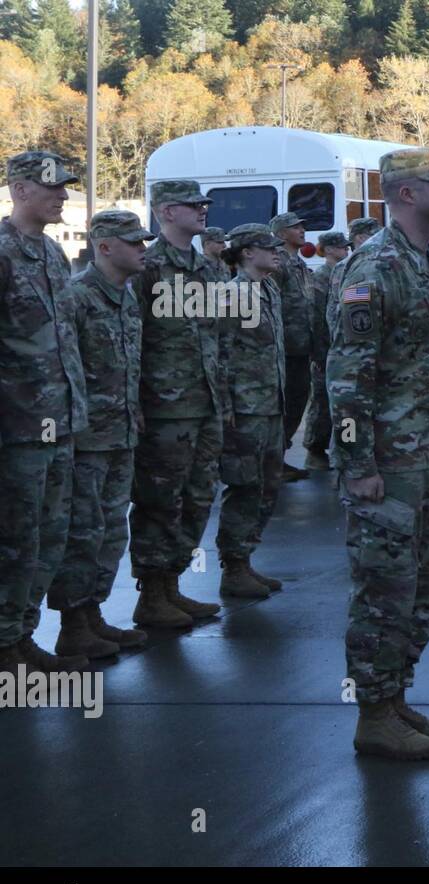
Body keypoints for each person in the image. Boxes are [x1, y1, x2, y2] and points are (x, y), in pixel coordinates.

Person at [326, 147, 429, 760]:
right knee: (383, 591)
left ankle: (396, 695)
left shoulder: (426, 260)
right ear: (408, 194)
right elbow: (348, 377)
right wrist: (358, 467)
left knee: (423, 587)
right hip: (389, 465)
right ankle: (373, 714)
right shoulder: (374, 266)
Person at [46, 210, 152, 660]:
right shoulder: (78, 297)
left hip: (120, 433)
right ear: (104, 246)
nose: (143, 249)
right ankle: (72, 624)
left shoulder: (125, 296)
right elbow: (61, 366)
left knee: (111, 531)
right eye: (134, 242)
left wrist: (136, 410)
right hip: (87, 438)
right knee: (82, 532)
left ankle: (93, 615)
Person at [0, 150, 89, 673]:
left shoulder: (53, 254)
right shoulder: (4, 253)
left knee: (48, 538)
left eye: (64, 188)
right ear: (18, 190)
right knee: (14, 538)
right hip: (17, 427)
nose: (61, 196)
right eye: (51, 187)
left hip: (58, 423)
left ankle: (21, 639)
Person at [130, 179, 228, 629]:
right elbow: (131, 338)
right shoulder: (147, 267)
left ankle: (172, 585)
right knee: (159, 500)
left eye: (204, 203)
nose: (203, 210)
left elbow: (217, 335)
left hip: (205, 401)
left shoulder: (207, 268)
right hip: (164, 406)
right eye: (194, 204)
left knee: (197, 498)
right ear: (167, 212)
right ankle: (151, 593)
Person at [215, 224, 288, 599]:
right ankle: (233, 566)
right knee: (244, 486)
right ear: (246, 252)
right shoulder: (234, 294)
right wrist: (225, 405)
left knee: (268, 486)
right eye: (268, 247)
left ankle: (246, 557)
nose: (277, 252)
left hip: (270, 403)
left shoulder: (268, 289)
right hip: (244, 408)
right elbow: (220, 352)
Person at [268, 212, 313, 482]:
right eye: (295, 227)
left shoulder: (300, 264)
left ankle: (279, 457)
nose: (302, 230)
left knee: (297, 402)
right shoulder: (279, 264)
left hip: (301, 346)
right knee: (283, 405)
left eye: (302, 225)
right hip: (284, 348)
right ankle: (274, 461)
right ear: (282, 234)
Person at [303, 231, 350, 470]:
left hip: (343, 351)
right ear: (329, 250)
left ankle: (343, 450)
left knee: (343, 405)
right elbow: (317, 317)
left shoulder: (345, 272)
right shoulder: (321, 276)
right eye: (342, 247)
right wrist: (320, 352)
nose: (346, 250)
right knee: (322, 402)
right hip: (326, 349)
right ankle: (315, 448)